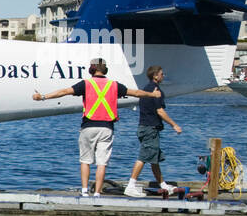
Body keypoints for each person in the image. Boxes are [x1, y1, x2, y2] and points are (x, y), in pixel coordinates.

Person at [32, 58, 161, 197]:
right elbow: (136, 93)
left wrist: (43, 97)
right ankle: (98, 193)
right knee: (101, 163)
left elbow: (64, 91)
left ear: (92, 69)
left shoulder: (86, 84)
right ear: (105, 69)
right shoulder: (113, 85)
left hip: (88, 126)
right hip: (106, 128)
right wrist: (152, 94)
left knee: (85, 161)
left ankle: (85, 191)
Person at [124, 65, 181, 197]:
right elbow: (160, 111)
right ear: (155, 75)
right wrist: (174, 125)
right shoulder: (155, 91)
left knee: (153, 158)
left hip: (146, 128)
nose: (163, 75)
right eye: (161, 74)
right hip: (150, 128)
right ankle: (130, 186)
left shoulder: (146, 89)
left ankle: (163, 185)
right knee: (144, 157)